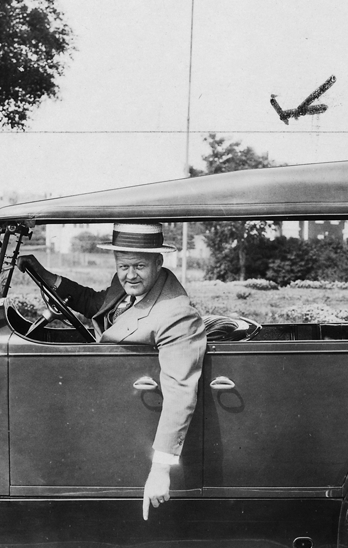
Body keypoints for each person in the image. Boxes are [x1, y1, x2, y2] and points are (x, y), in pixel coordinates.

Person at [18, 222, 207, 521]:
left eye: (139, 266)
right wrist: (44, 276)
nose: (130, 274)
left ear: (159, 262)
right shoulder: (129, 285)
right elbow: (96, 303)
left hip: (127, 413)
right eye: (123, 265)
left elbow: (180, 394)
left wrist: (160, 470)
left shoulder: (175, 314)